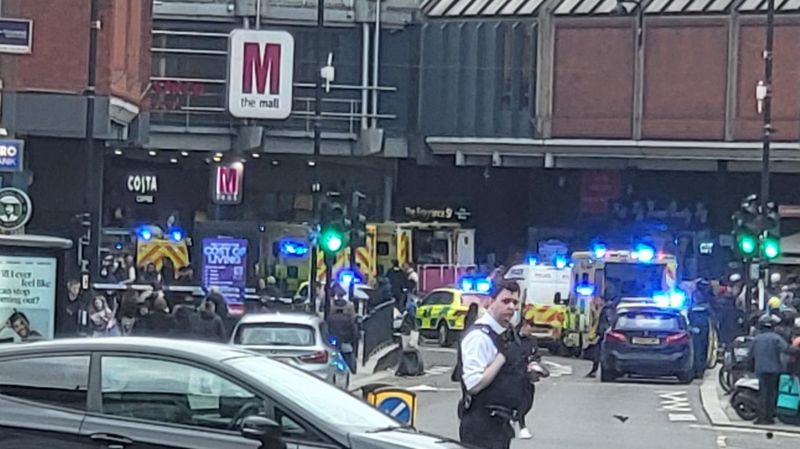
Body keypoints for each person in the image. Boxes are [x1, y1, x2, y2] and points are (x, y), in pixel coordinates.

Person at [457, 280, 528, 449]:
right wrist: (502, 357)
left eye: (515, 302)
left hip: (501, 424)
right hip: (481, 425)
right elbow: (473, 384)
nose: (511, 307)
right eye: (505, 301)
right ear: (491, 301)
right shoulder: (479, 336)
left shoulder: (507, 333)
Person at [748, 314, 789, 425]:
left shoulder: (756, 339)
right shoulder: (776, 338)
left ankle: (761, 417)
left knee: (762, 393)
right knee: (772, 394)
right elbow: (786, 349)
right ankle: (769, 417)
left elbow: (750, 355)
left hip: (760, 369)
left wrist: (749, 367)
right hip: (774, 370)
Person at [327, 294, 359, 373]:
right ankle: (352, 369)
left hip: (333, 342)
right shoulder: (348, 319)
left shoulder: (329, 318)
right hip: (345, 341)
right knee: (349, 355)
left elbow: (326, 330)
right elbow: (354, 331)